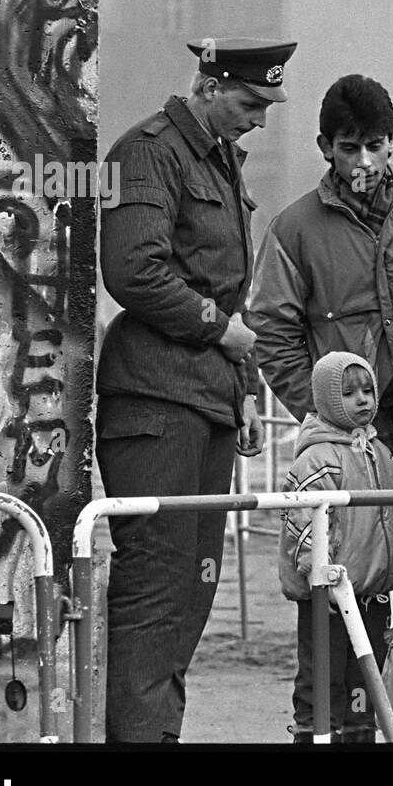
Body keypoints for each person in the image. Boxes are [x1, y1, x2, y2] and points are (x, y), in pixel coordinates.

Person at [96, 36, 294, 742]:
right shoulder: (148, 152)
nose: (259, 119)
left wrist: (240, 387)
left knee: (193, 589)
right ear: (209, 86)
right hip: (154, 403)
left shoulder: (217, 161)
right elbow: (134, 272)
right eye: (249, 103)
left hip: (204, 400)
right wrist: (220, 336)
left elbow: (229, 292)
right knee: (156, 588)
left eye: (268, 106)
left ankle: (159, 735)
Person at [249, 75, 393, 476]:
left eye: (375, 145)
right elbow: (271, 332)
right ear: (326, 148)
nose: (364, 161)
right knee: (358, 539)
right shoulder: (293, 230)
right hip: (349, 439)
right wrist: (326, 411)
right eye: (349, 148)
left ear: (392, 141)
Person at [279, 352, 393, 744]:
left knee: (365, 678)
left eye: (368, 390)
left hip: (373, 591)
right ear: (328, 400)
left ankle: (359, 733)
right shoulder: (318, 458)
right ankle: (312, 735)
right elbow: (302, 520)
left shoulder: (380, 453)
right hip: (328, 594)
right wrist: (320, 575)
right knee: (321, 675)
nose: (363, 400)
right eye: (349, 394)